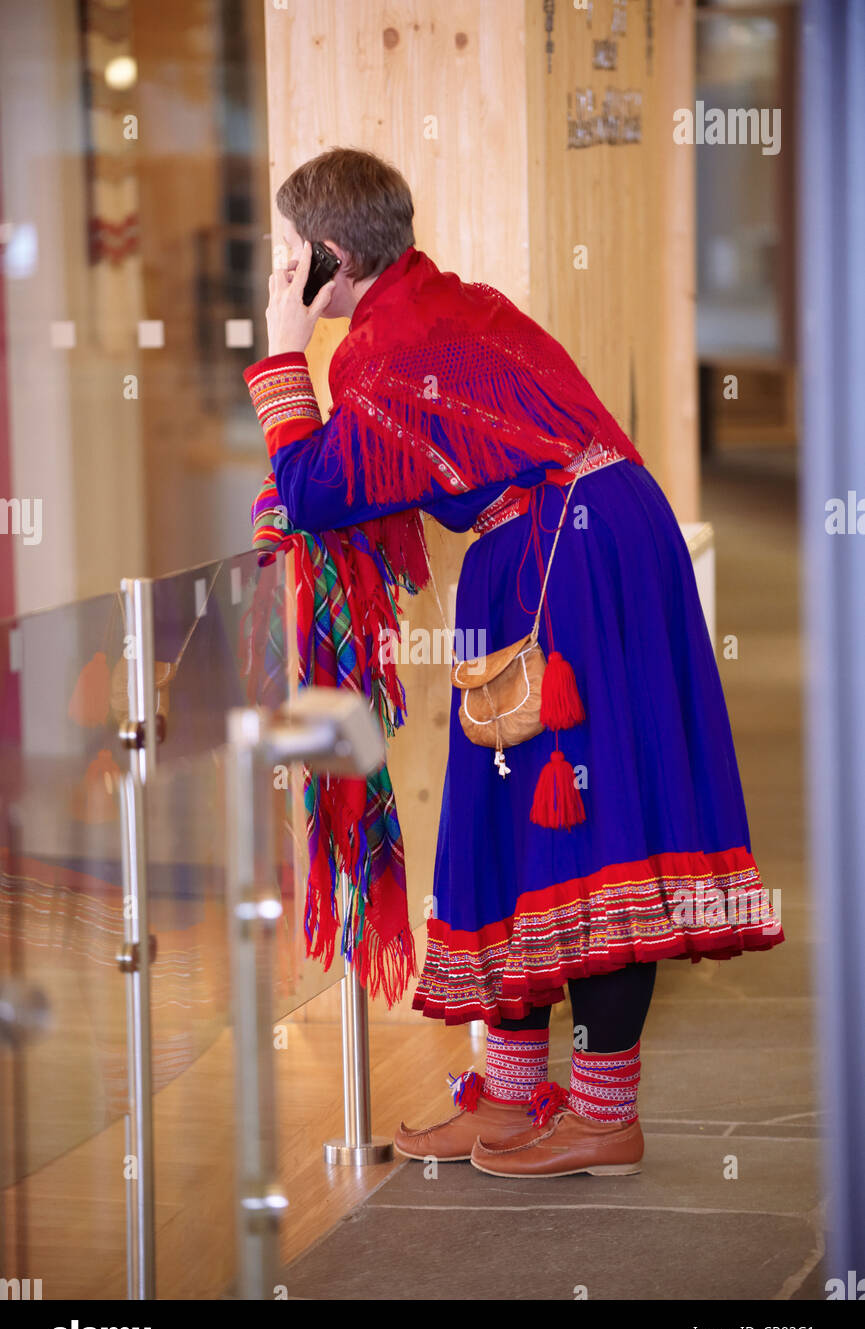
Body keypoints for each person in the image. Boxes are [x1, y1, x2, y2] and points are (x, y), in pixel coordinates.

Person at [243, 146, 784, 1180]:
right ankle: (506, 1092)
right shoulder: (443, 302)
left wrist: (282, 350)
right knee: (506, 822)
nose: (283, 273)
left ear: (323, 255)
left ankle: (602, 1115)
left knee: (587, 829)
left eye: (288, 256)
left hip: (564, 563)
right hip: (568, 546)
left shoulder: (387, 347)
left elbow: (313, 490)